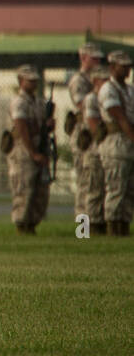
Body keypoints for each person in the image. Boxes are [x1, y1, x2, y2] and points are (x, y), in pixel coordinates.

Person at [6, 64, 51, 235]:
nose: (33, 84)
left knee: (39, 191)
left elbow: (40, 126)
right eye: (29, 80)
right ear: (20, 81)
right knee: (25, 189)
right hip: (23, 152)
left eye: (35, 81)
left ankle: (31, 225)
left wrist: (47, 126)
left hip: (39, 147)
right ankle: (22, 226)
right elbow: (21, 127)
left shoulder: (39, 102)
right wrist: (33, 153)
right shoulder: (19, 102)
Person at [97, 51, 134, 237]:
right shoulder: (107, 89)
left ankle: (123, 228)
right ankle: (87, 233)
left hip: (127, 146)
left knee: (128, 190)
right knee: (111, 190)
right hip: (115, 145)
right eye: (123, 65)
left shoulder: (129, 90)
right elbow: (120, 117)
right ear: (112, 67)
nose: (127, 69)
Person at [67, 43, 104, 227]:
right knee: (84, 183)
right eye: (94, 58)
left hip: (95, 136)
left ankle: (97, 222)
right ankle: (83, 228)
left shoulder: (96, 79)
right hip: (84, 137)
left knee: (95, 183)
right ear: (83, 58)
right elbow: (82, 104)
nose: (97, 61)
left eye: (99, 58)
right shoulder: (79, 81)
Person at [78, 64, 109, 233]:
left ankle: (100, 226)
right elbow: (93, 125)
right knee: (92, 192)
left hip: (103, 151)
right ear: (95, 80)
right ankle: (84, 231)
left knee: (102, 191)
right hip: (93, 152)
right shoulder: (92, 99)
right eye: (104, 79)